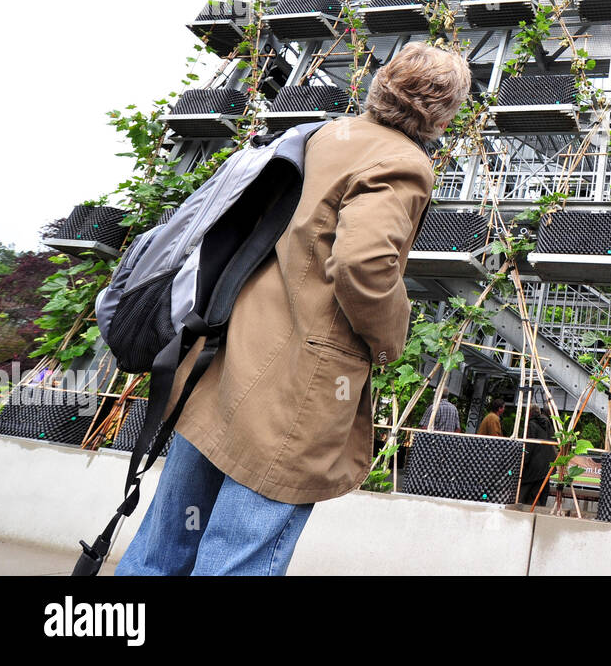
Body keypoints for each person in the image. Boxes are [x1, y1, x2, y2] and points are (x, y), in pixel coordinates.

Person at [116, 42, 472, 576]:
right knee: (239, 558)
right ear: (443, 111)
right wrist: (389, 336)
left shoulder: (327, 135)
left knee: (165, 545)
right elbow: (365, 263)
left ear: (382, 84)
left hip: (222, 360)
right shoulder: (403, 163)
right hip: (295, 386)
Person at [518, 403, 557, 507]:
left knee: (525, 491)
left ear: (529, 414)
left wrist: (523, 462)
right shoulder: (546, 424)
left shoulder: (531, 425)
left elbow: (529, 446)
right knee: (540, 492)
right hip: (546, 465)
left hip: (535, 465)